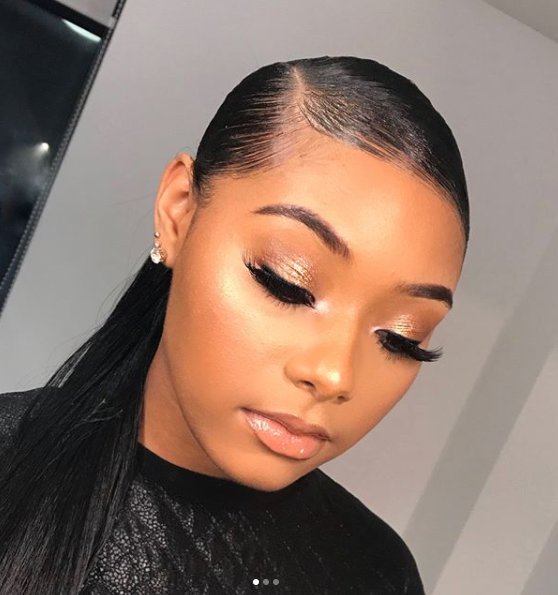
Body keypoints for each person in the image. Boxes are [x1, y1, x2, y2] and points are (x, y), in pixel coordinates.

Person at [0, 55, 469, 594]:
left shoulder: (378, 574)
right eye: (286, 282)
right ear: (180, 211)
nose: (335, 375)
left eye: (402, 338)